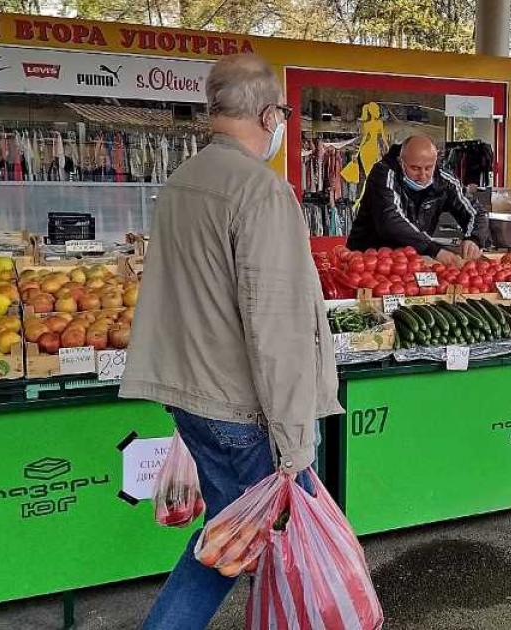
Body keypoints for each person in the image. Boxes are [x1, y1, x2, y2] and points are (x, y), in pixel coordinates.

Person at [119, 53, 342, 630]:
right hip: (242, 411)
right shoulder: (261, 193)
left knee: (227, 537)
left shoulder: (180, 183)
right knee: (250, 545)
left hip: (193, 398)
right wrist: (295, 448)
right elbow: (279, 331)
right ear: (271, 114)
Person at [346, 135, 489, 267]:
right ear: (401, 162)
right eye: (415, 168)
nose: (423, 175)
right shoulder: (383, 174)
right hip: (367, 261)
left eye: (428, 168)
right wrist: (433, 249)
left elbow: (476, 212)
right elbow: (390, 219)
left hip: (411, 262)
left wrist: (474, 238)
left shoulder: (445, 180)